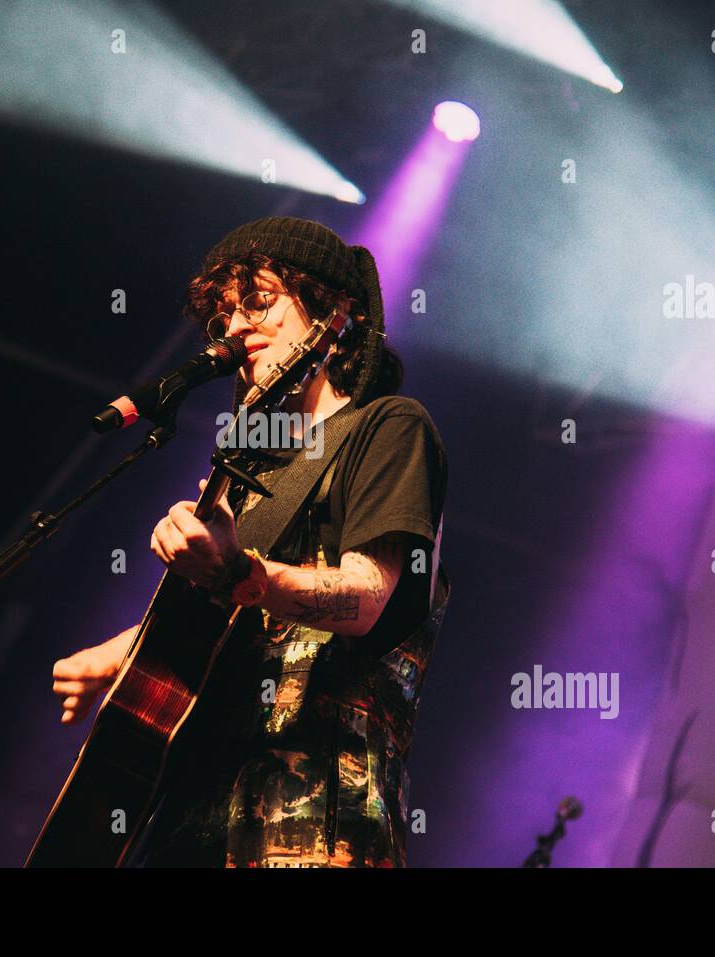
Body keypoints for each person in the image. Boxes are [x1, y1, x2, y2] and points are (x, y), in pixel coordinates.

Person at [51, 217, 450, 866]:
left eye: (259, 302)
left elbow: (373, 594)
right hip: (192, 810)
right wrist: (119, 655)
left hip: (315, 807)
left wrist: (240, 571)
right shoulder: (249, 470)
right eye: (224, 315)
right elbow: (226, 620)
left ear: (337, 313)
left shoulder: (388, 426)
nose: (235, 326)